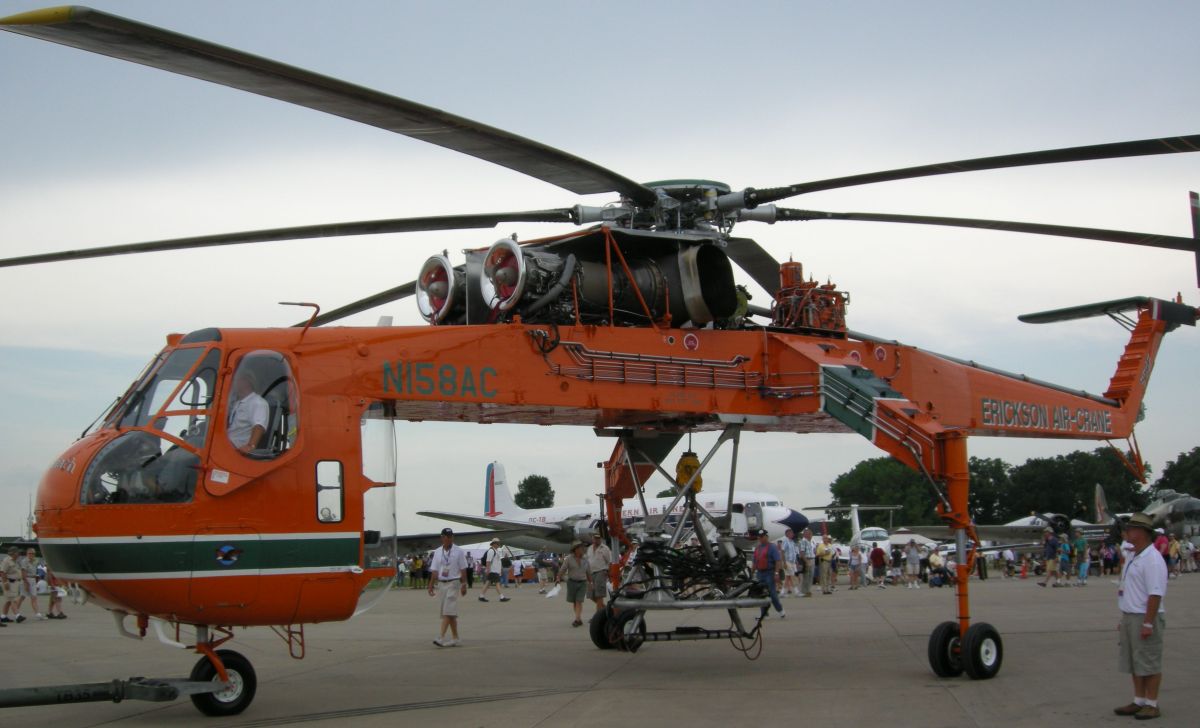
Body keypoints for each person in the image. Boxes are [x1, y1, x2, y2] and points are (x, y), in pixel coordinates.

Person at [1112, 512, 1168, 720]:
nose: (1127, 532)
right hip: (1130, 615)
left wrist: (1148, 622)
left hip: (1145, 616)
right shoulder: (1133, 555)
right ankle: (1139, 700)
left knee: (1149, 661)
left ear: (1142, 533)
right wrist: (1123, 617)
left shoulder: (1152, 559)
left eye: (1131, 528)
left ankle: (1152, 704)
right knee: (1135, 662)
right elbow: (1128, 588)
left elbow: (1155, 593)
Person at [426, 528, 468, 647]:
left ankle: (441, 637)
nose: (449, 539)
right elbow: (434, 570)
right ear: (442, 538)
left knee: (447, 611)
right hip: (442, 584)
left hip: (454, 583)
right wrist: (430, 585)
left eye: (451, 536)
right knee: (450, 613)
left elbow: (463, 568)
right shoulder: (438, 552)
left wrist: (464, 585)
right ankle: (455, 638)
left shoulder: (458, 551)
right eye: (447, 536)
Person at [227, 369, 269, 451]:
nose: (233, 383)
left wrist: (250, 446)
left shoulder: (257, 402)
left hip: (237, 448)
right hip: (227, 444)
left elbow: (259, 426)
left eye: (236, 379)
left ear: (246, 381)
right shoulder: (237, 403)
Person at [752, 528, 785, 619]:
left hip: (769, 572)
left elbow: (778, 561)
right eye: (759, 537)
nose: (760, 539)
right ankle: (764, 613)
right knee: (762, 594)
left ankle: (780, 610)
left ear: (766, 537)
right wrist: (751, 574)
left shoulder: (772, 547)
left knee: (772, 593)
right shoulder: (757, 548)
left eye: (762, 537)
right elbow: (755, 562)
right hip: (760, 573)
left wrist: (776, 573)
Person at [555, 541, 589, 626]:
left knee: (579, 601)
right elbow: (562, 569)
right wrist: (558, 578)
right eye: (580, 548)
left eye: (582, 548)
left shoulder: (585, 558)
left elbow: (588, 571)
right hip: (572, 583)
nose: (582, 549)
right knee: (575, 602)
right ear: (575, 549)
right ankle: (579, 618)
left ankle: (577, 619)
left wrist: (591, 582)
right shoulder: (569, 559)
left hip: (583, 583)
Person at [586, 533, 612, 612]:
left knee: (599, 595)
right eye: (595, 538)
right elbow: (587, 561)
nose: (597, 540)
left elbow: (609, 562)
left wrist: (607, 572)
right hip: (590, 573)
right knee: (590, 595)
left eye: (598, 538)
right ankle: (606, 609)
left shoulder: (605, 548)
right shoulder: (589, 548)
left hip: (601, 572)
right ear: (592, 539)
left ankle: (597, 615)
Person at [479, 538, 510, 602]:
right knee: (497, 583)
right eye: (497, 543)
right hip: (493, 570)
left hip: (494, 570)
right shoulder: (491, 551)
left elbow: (498, 561)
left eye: (499, 543)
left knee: (488, 583)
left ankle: (481, 596)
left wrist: (500, 569)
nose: (499, 544)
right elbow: (488, 561)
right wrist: (488, 569)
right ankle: (502, 597)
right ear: (494, 544)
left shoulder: (496, 551)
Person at [1, 546, 21, 624]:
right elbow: (2, 572)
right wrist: (5, 583)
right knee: (13, 600)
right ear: (13, 553)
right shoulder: (7, 560)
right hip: (9, 583)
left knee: (8, 601)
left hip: (14, 583)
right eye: (17, 552)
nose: (19, 554)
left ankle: (3, 617)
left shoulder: (15, 560)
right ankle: (18, 616)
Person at [779, 530, 799, 597]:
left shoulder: (792, 542)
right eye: (791, 533)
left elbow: (794, 552)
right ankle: (796, 591)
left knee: (788, 577)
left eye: (792, 533)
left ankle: (782, 592)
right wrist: (784, 562)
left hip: (792, 562)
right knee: (792, 575)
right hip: (787, 561)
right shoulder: (786, 541)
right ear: (787, 534)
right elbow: (782, 551)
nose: (793, 534)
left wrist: (795, 561)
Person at [798, 528, 816, 597]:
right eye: (808, 534)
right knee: (806, 576)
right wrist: (806, 561)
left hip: (812, 559)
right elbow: (802, 552)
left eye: (810, 534)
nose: (810, 535)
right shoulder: (803, 541)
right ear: (805, 534)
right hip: (807, 559)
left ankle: (808, 590)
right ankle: (803, 591)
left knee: (811, 576)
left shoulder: (811, 542)